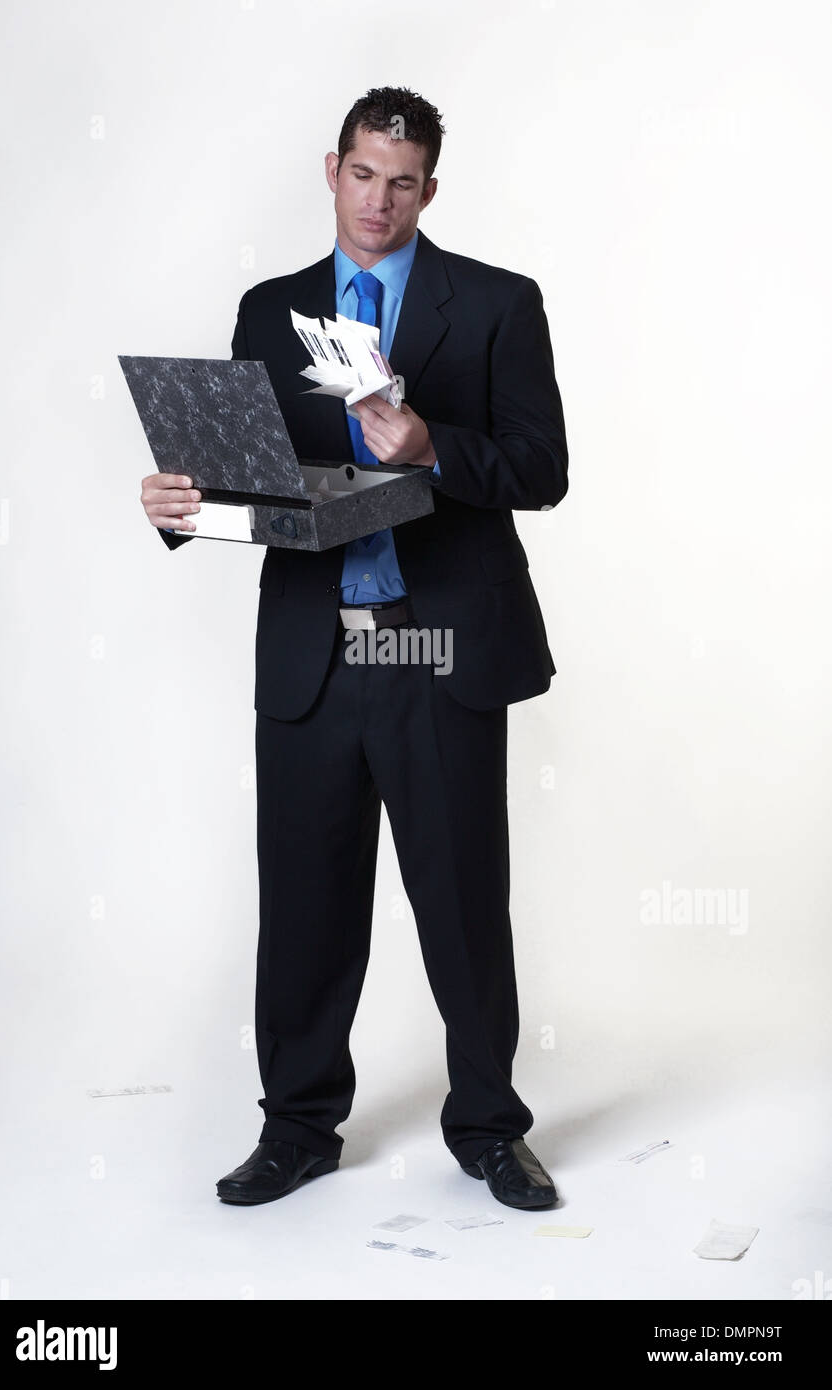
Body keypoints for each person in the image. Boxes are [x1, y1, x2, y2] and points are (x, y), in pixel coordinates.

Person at [140, 87, 569, 1211]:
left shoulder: (494, 306)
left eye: (403, 181)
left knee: (463, 904)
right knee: (304, 907)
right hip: (313, 654)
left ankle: (485, 1129)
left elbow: (541, 470)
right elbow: (246, 486)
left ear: (431, 187)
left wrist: (432, 445)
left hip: (439, 646)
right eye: (362, 175)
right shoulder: (267, 309)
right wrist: (178, 504)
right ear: (330, 169)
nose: (378, 202)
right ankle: (297, 1128)